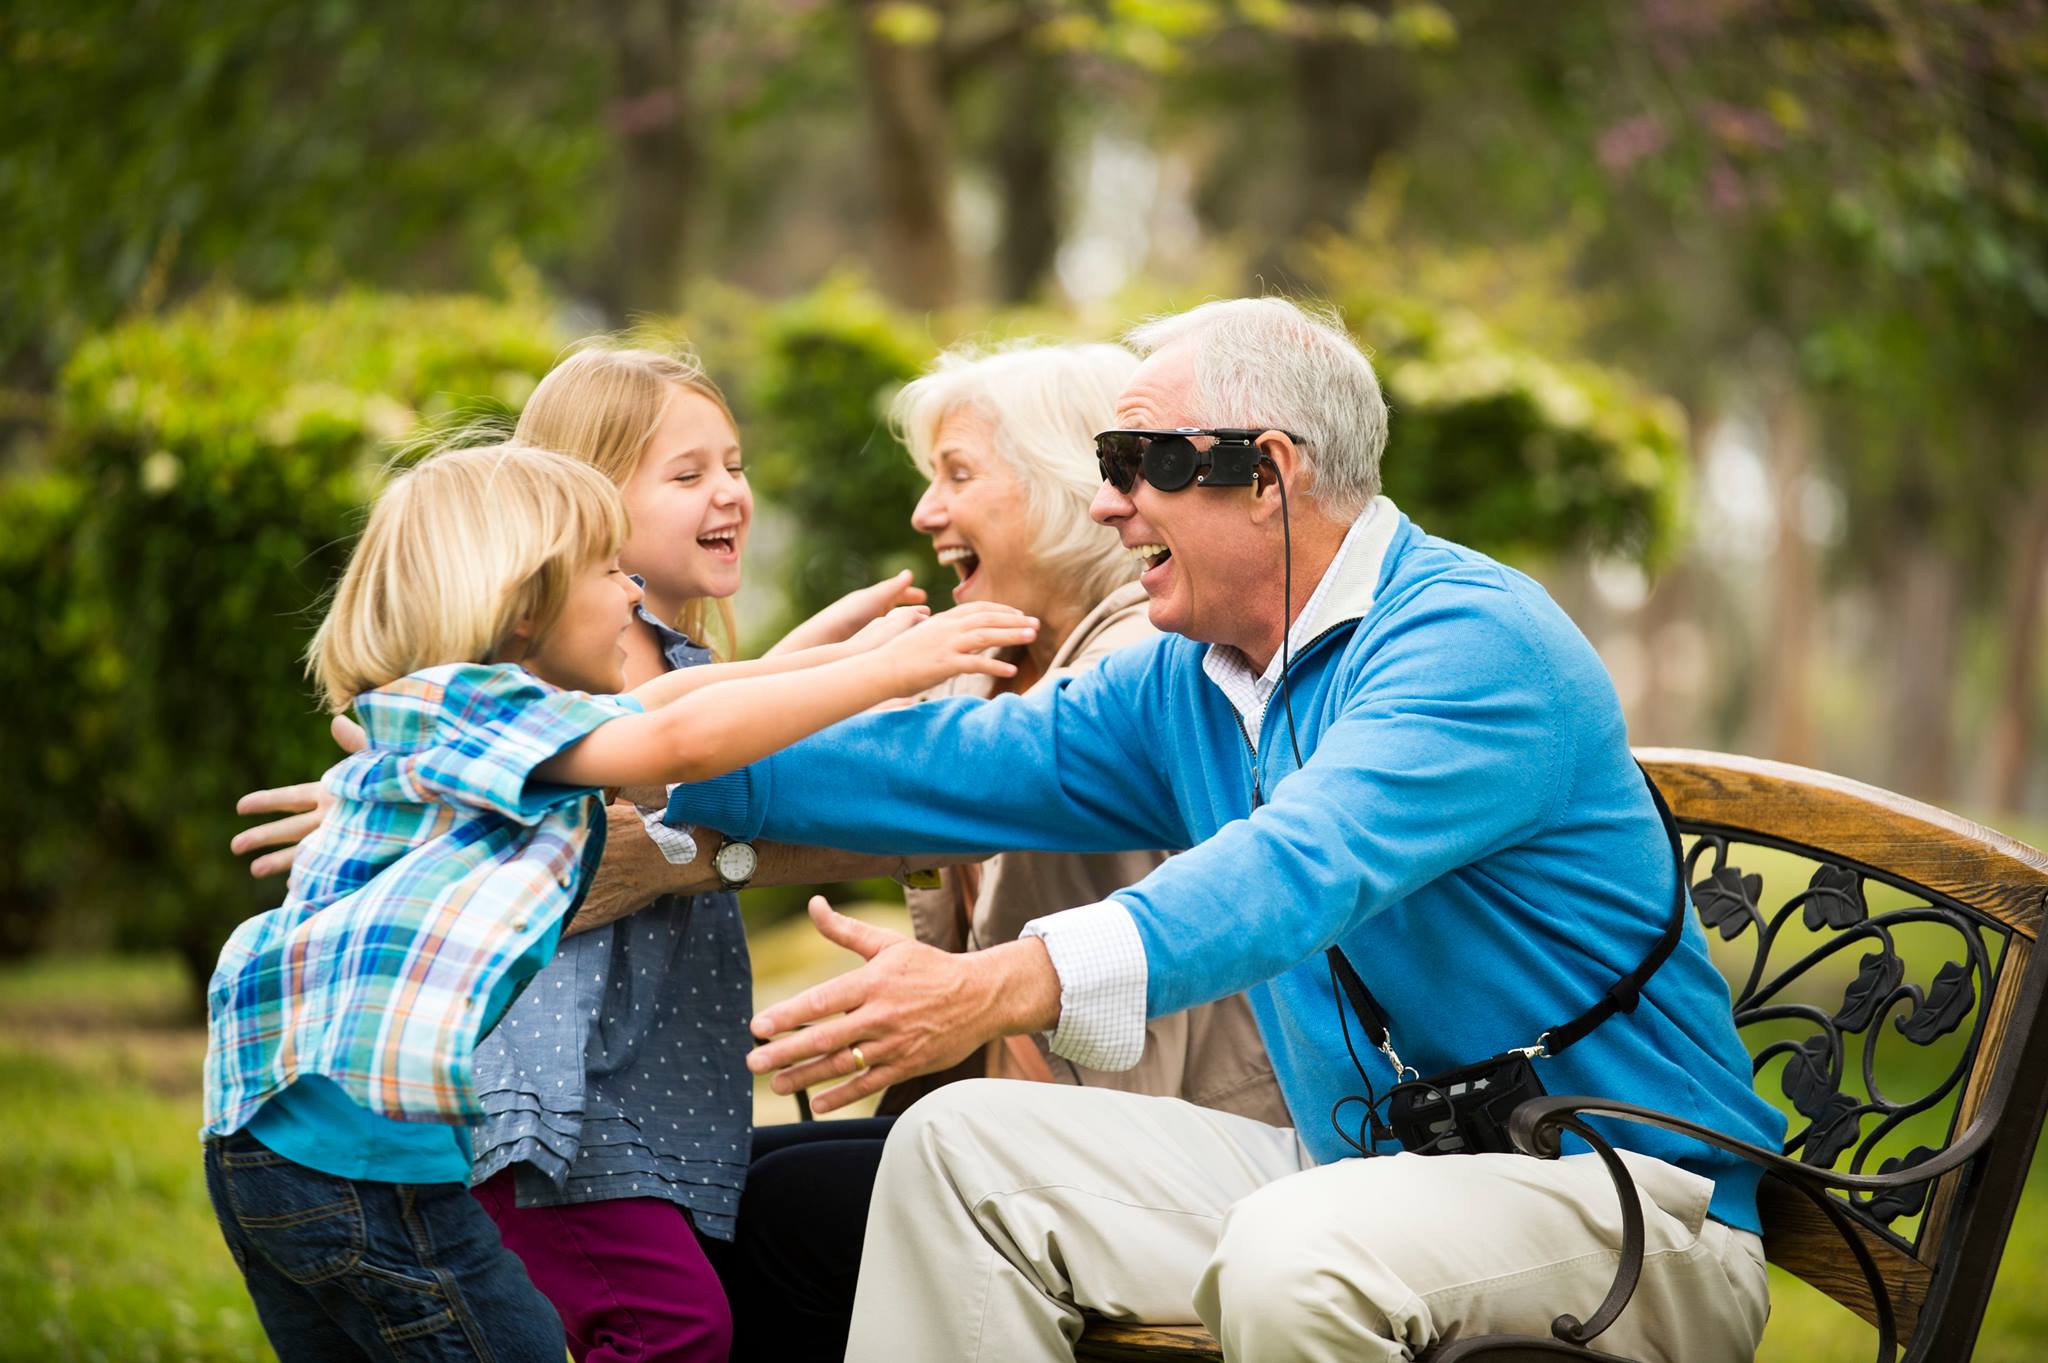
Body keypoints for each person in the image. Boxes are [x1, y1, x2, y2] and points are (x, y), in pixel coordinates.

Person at [663, 298, 1787, 1363]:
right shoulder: (1191, 681)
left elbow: (1294, 867)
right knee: (956, 1150)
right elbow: (946, 763)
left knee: (1299, 1253)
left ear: (1268, 471)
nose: (1106, 503)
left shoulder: (1470, 643)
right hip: (1368, 1168)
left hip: (1628, 1204)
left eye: (1135, 462)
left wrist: (999, 982)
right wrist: (630, 740)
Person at [202, 440, 1037, 1363]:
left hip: (270, 1144)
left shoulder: (449, 707)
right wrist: (889, 673)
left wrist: (852, 655)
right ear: (523, 606)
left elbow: (682, 695)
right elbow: (678, 737)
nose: (633, 593)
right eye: (609, 571)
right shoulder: (491, 711)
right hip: (362, 1168)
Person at [718, 342, 1287, 1361]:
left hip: (1176, 1132)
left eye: (958, 475)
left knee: (764, 1216)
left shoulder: (1142, 663)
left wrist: (632, 750)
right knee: (736, 1189)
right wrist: (639, 759)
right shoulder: (998, 665)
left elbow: (944, 782)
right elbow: (852, 782)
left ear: (1070, 488)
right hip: (1039, 1121)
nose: (925, 514)